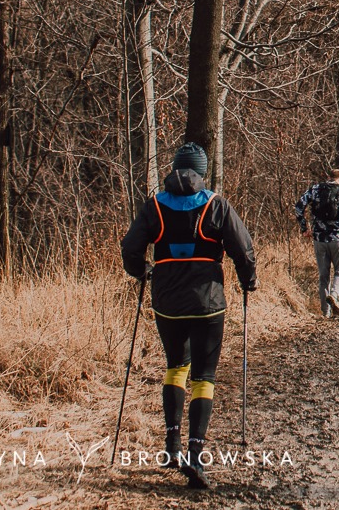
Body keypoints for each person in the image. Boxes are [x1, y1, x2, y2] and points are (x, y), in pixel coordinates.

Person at [121, 142, 256, 490]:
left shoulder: (155, 205)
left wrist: (142, 270)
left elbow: (130, 247)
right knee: (204, 376)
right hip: (209, 300)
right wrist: (248, 281)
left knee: (175, 367)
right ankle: (196, 455)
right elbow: (243, 248)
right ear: (202, 171)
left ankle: (171, 445)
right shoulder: (216, 205)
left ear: (175, 168)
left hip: (167, 299)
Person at [295, 168, 339, 319]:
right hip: (338, 238)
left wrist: (305, 228)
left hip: (319, 238)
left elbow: (298, 208)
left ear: (328, 177)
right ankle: (334, 295)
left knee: (323, 276)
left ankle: (326, 313)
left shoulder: (315, 190)